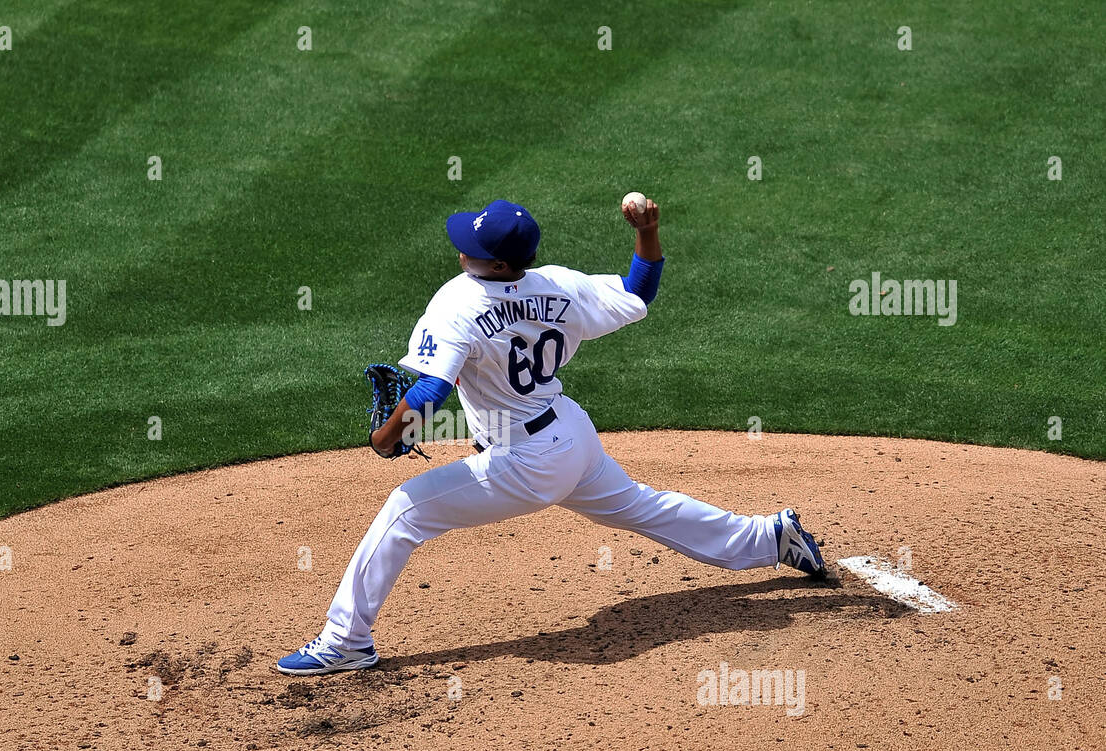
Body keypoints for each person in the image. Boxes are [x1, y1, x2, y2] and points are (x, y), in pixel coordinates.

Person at [277, 198, 826, 675]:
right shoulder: (560, 285)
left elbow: (429, 394)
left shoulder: (458, 302)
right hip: (569, 433)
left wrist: (385, 438)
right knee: (641, 507)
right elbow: (640, 289)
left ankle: (345, 642)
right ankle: (771, 538)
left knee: (405, 510)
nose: (459, 250)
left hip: (527, 460)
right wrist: (646, 231)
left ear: (495, 263)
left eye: (470, 246)